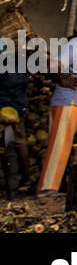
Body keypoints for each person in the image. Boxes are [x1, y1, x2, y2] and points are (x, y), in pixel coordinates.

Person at [37, 28, 77, 197]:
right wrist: (63, 80)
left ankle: (55, 185)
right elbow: (54, 65)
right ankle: (47, 187)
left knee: (65, 144)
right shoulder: (75, 46)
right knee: (59, 144)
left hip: (75, 101)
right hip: (67, 101)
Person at [0, 39, 33, 191]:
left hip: (5, 109)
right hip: (20, 109)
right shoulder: (21, 66)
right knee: (20, 142)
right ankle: (26, 177)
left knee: (8, 144)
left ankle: (10, 180)